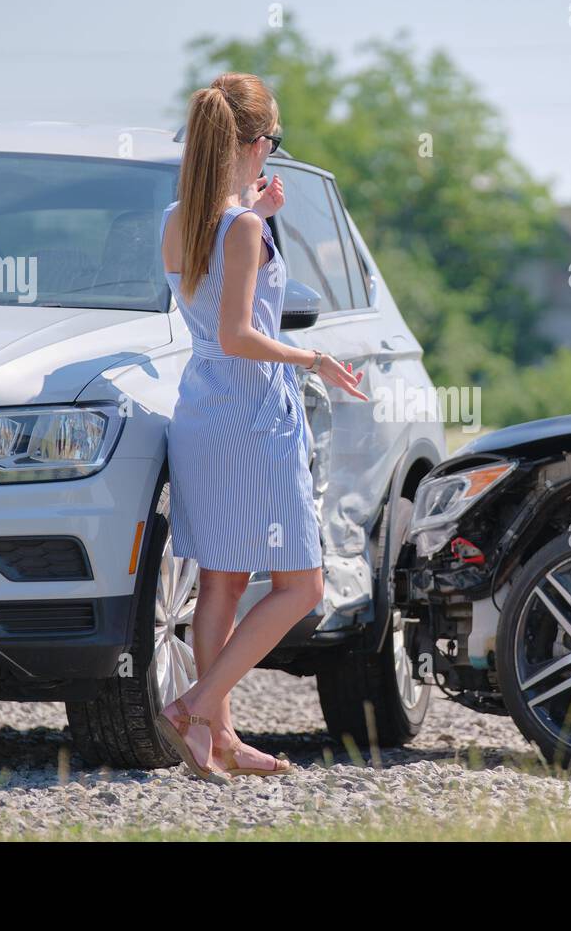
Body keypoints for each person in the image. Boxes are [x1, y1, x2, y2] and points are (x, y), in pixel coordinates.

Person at [156, 72, 368, 781]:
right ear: (254, 144)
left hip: (201, 414)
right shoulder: (243, 228)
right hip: (252, 418)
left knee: (219, 581)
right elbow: (240, 332)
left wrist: (253, 204)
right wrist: (315, 358)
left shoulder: (180, 218)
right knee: (302, 587)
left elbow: (214, 285)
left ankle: (217, 738)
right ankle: (197, 704)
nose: (275, 152)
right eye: (274, 140)